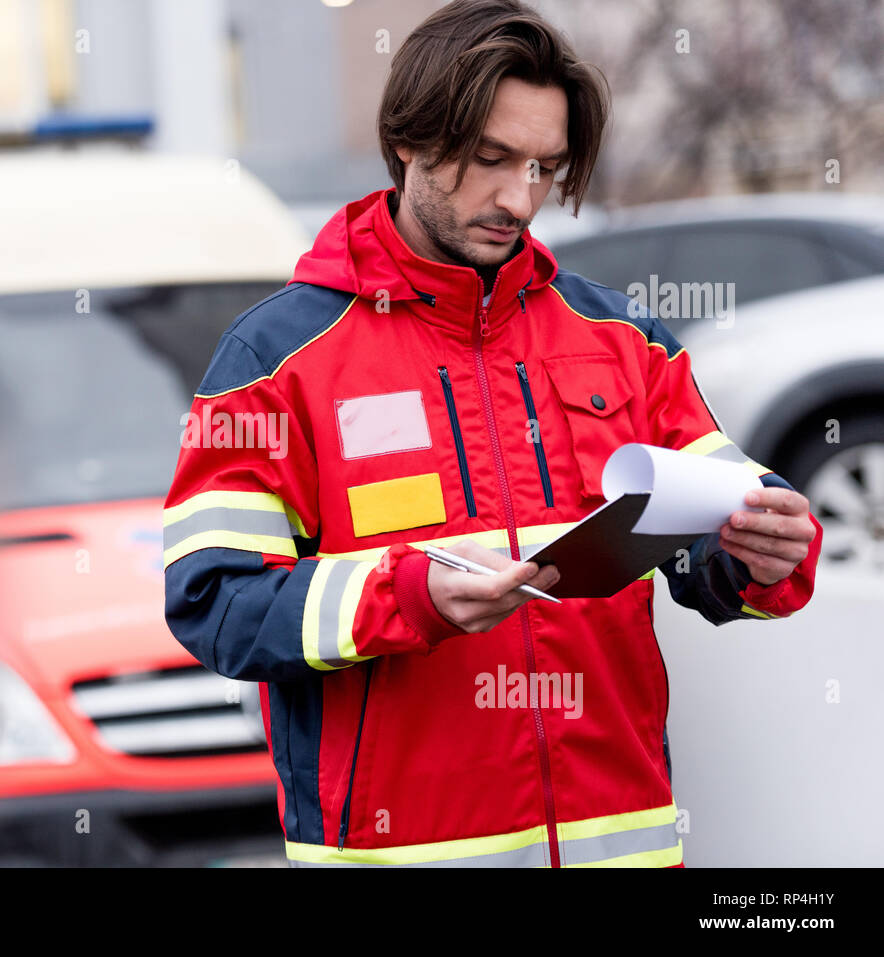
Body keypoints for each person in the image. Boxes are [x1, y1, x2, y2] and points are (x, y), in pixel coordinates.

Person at [162, 0, 823, 868]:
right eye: (491, 159)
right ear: (408, 141)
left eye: (546, 167)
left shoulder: (623, 340)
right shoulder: (274, 358)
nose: (521, 197)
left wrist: (762, 550)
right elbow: (215, 601)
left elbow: (712, 543)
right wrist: (407, 599)